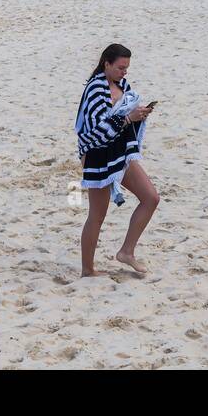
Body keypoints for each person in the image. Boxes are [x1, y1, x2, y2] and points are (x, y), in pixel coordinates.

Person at [75, 44, 158, 276]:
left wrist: (139, 115)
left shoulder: (122, 85)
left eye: (127, 68)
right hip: (98, 155)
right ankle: (87, 270)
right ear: (107, 64)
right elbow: (94, 131)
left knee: (151, 197)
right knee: (97, 215)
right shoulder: (95, 89)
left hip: (119, 151)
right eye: (121, 67)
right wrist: (127, 118)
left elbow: (126, 116)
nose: (124, 72)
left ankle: (127, 252)